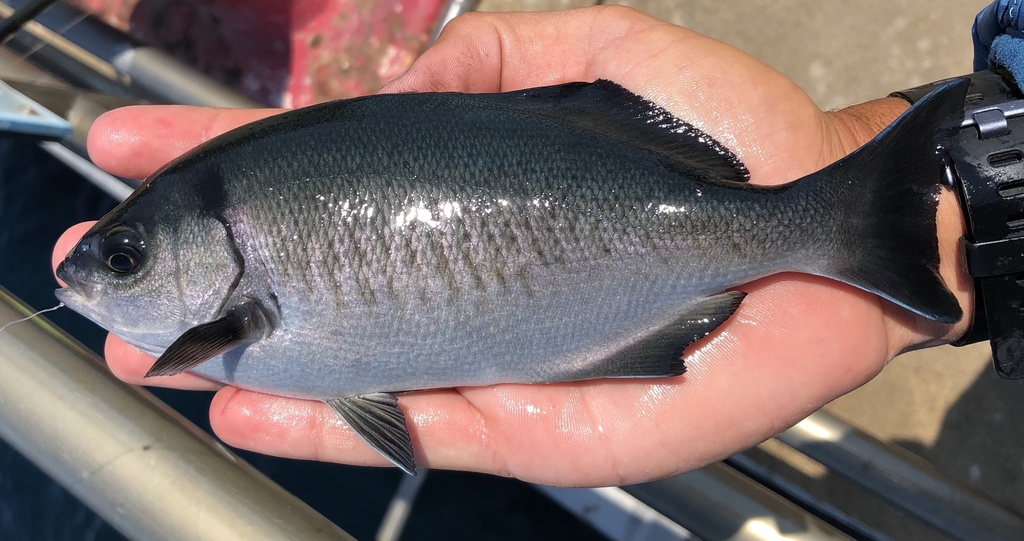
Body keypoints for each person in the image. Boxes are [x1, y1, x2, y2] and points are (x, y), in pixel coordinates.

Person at [51, 5, 973, 486]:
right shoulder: (229, 290)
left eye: (127, 257)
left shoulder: (233, 319)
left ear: (210, 242)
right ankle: (876, 211)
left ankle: (857, 216)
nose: (101, 275)